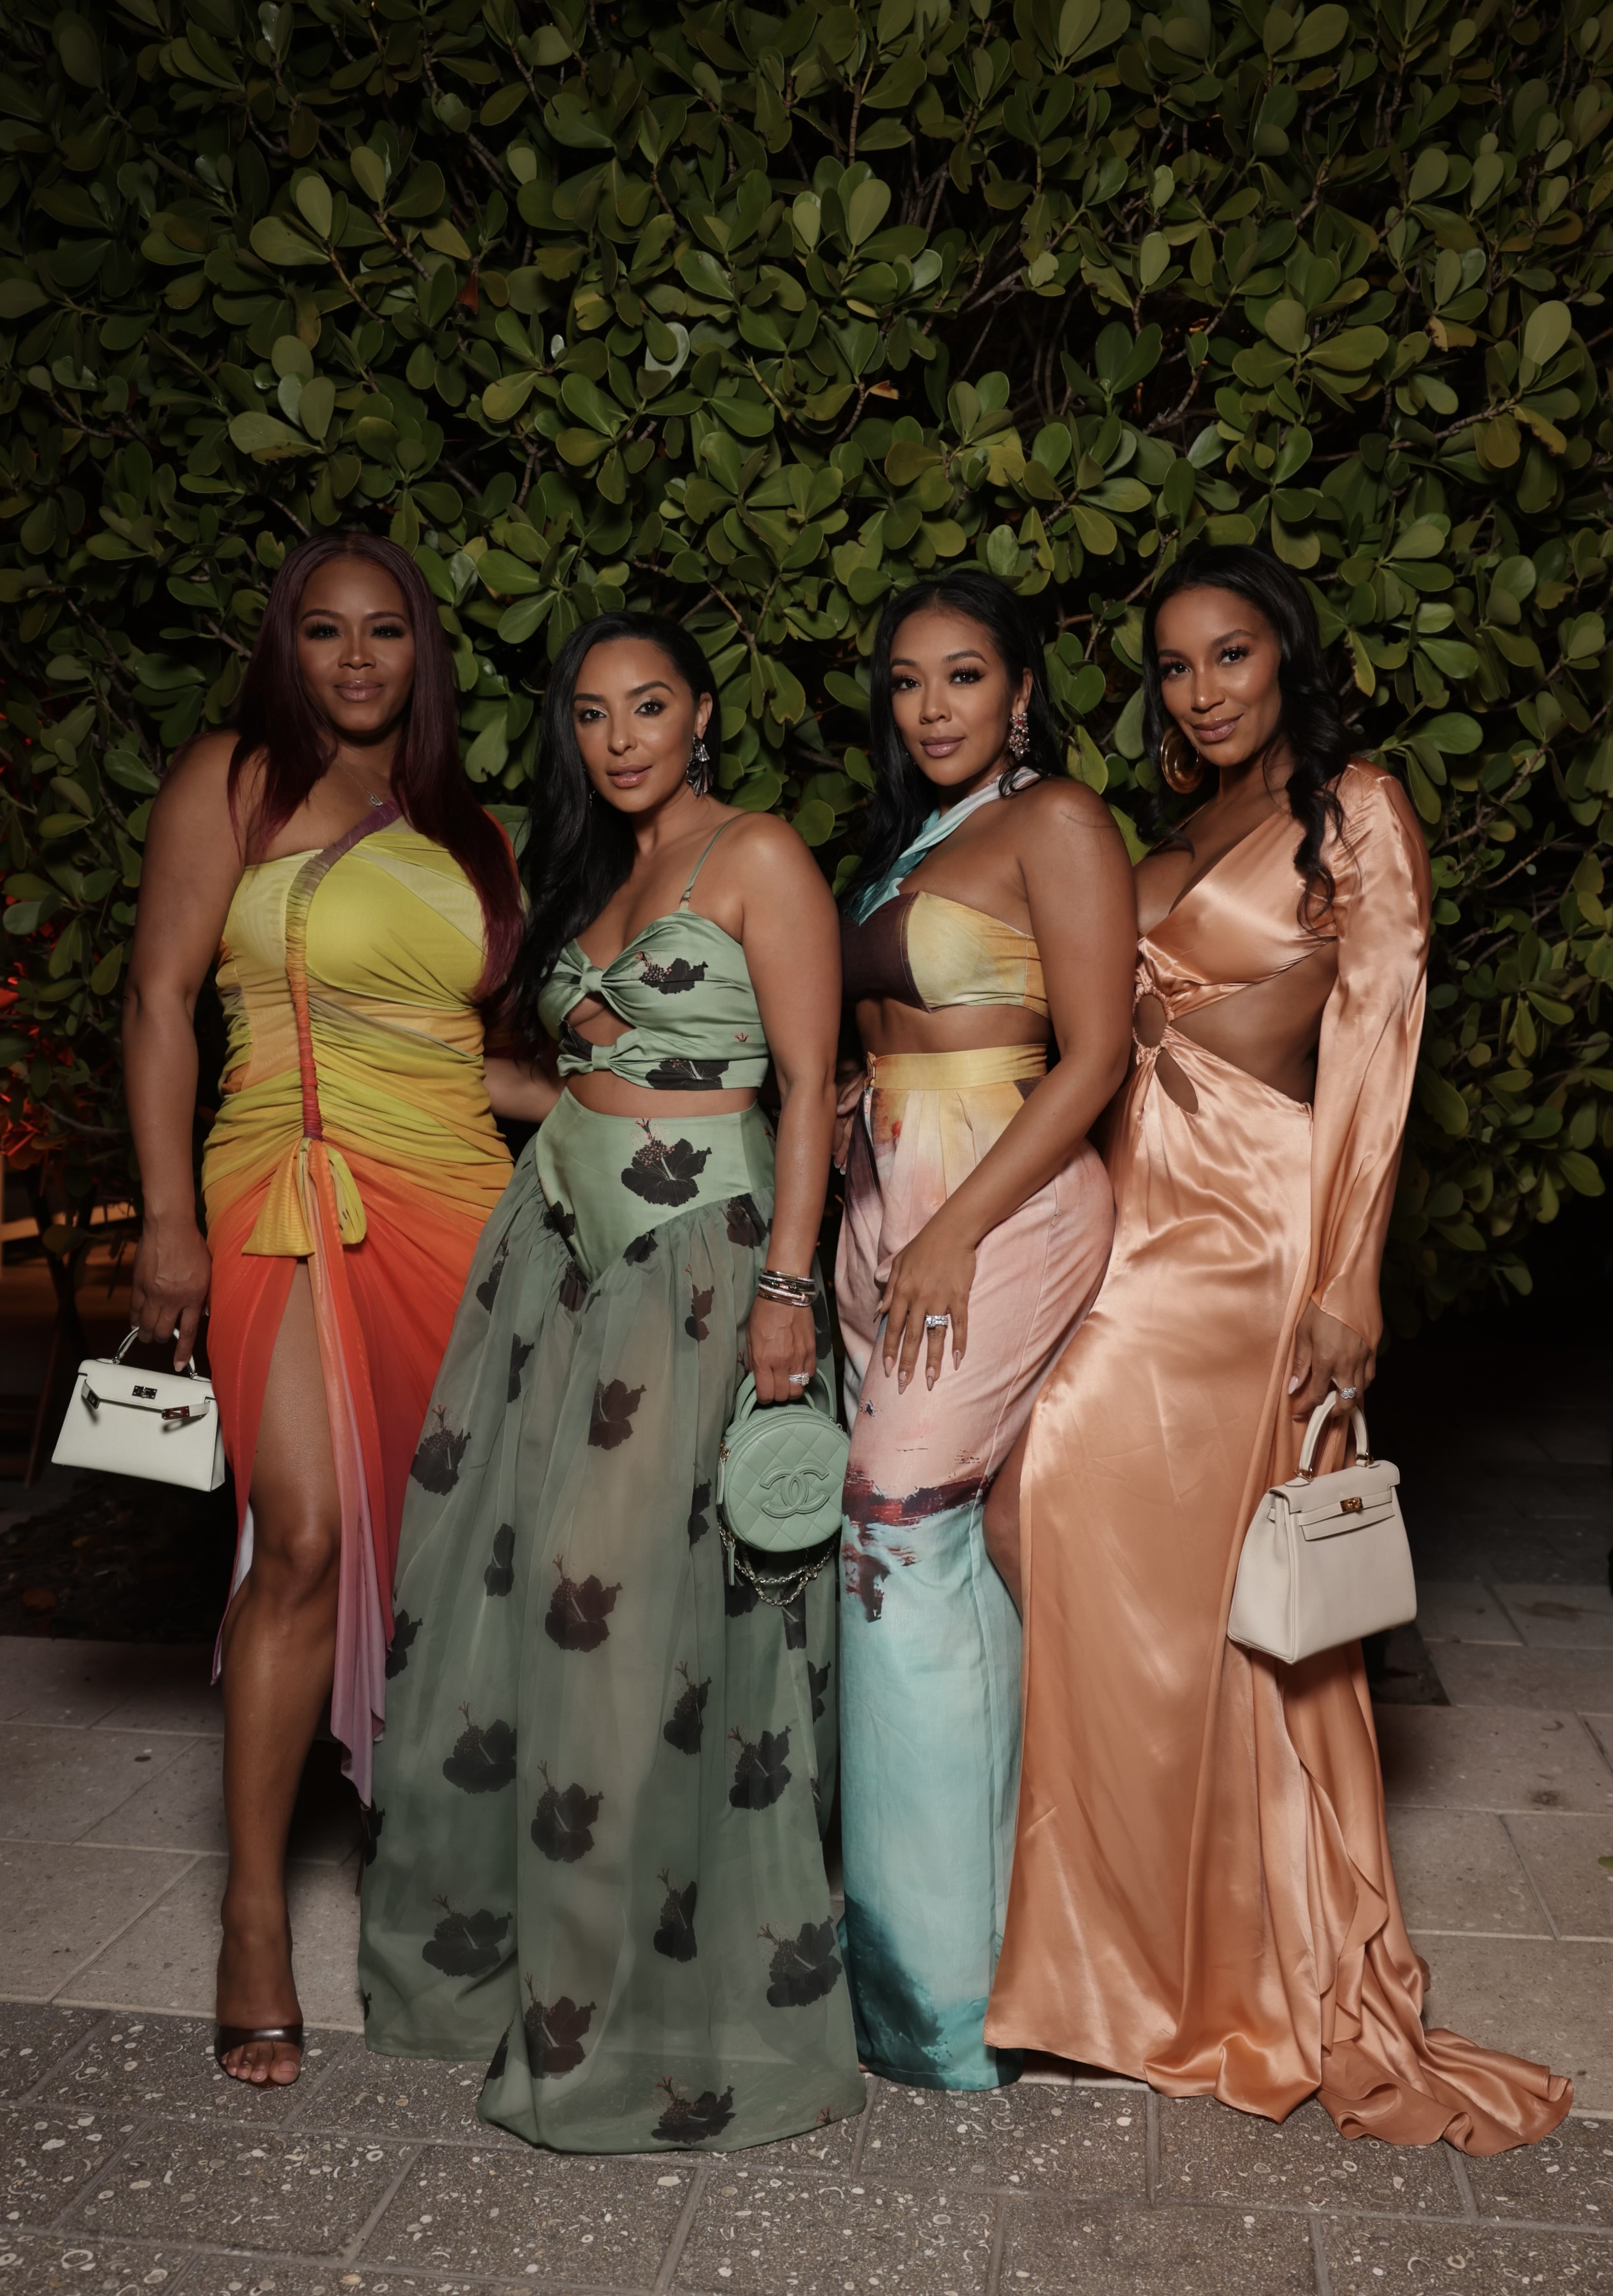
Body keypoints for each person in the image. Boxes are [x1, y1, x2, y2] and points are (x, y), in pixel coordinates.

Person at [983, 544, 1571, 2150]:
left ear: (1285, 653)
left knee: (1089, 1506)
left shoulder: (1353, 808)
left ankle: (1220, 1954)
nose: (1203, 690)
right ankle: (1136, 1954)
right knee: (1100, 1544)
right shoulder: (1176, 829)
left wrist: (1352, 1274)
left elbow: (1381, 1030)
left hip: (1255, 1234)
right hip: (1136, 1209)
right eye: (1175, 666)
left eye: (1230, 654)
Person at [357, 611, 863, 2153]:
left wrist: (789, 1283)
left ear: (704, 710)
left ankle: (630, 2013)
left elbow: (805, 1084)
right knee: (504, 1597)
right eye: (591, 713)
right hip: (556, 1249)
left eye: (649, 705)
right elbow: (569, 1073)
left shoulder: (757, 854)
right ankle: (524, 1970)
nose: (622, 736)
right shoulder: (591, 871)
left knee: (620, 1609)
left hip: (697, 1265)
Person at [122, 533, 524, 2086]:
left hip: (456, 1196)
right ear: (285, 646)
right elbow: (159, 998)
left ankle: (427, 1852)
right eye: (325, 630)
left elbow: (461, 1053)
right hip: (280, 1182)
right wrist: (167, 1218)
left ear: (424, 653)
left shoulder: (468, 832)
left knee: (443, 1550)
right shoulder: (233, 779)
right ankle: (251, 1915)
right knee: (299, 1534)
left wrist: (625, 1102)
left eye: (385, 632)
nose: (356, 659)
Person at [834, 569, 1136, 2091]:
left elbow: (1096, 1054)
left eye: (964, 675)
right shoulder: (916, 840)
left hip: (993, 1198)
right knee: (928, 1557)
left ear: (1021, 691)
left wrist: (954, 1224)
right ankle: (991, 1947)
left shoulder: (1059, 820)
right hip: (883, 1196)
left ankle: (942, 1999)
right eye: (907, 680)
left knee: (894, 1521)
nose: (932, 705)